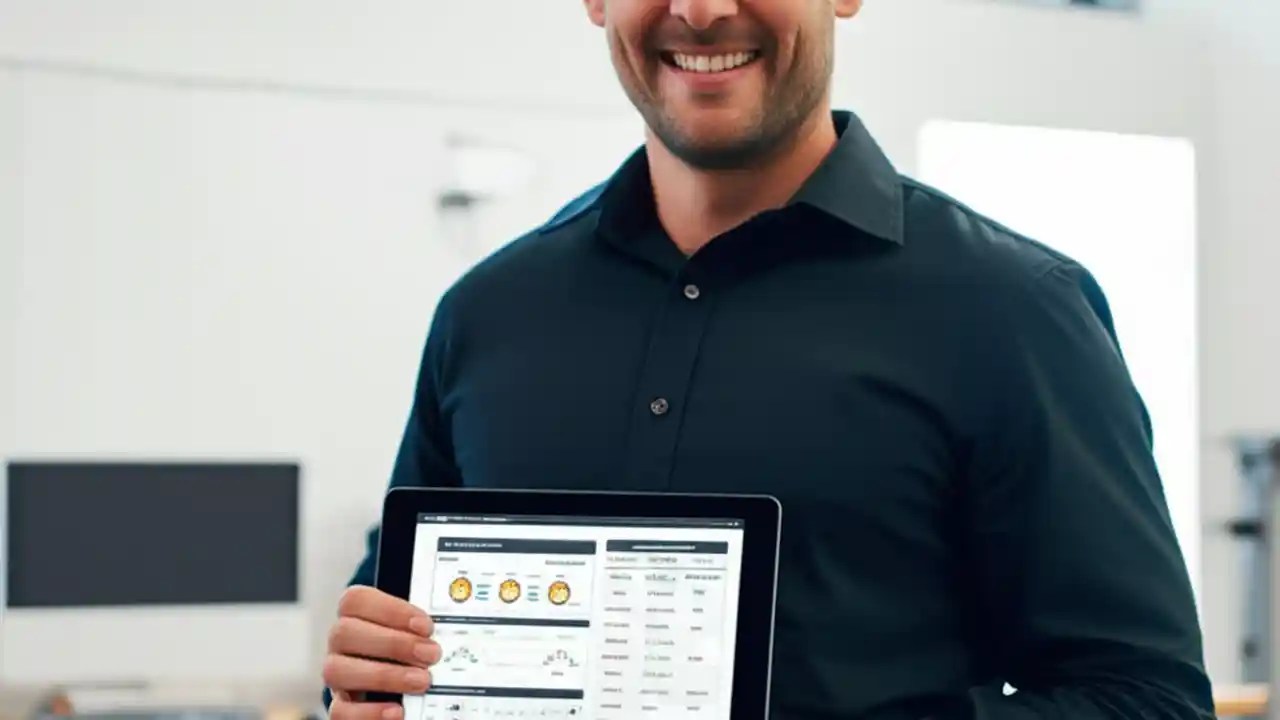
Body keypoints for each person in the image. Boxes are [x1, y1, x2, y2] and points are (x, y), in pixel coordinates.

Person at [323, 1, 1215, 718]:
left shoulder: (1014, 311)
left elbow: (1148, 698)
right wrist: (364, 690)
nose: (702, 12)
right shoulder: (488, 313)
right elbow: (383, 656)